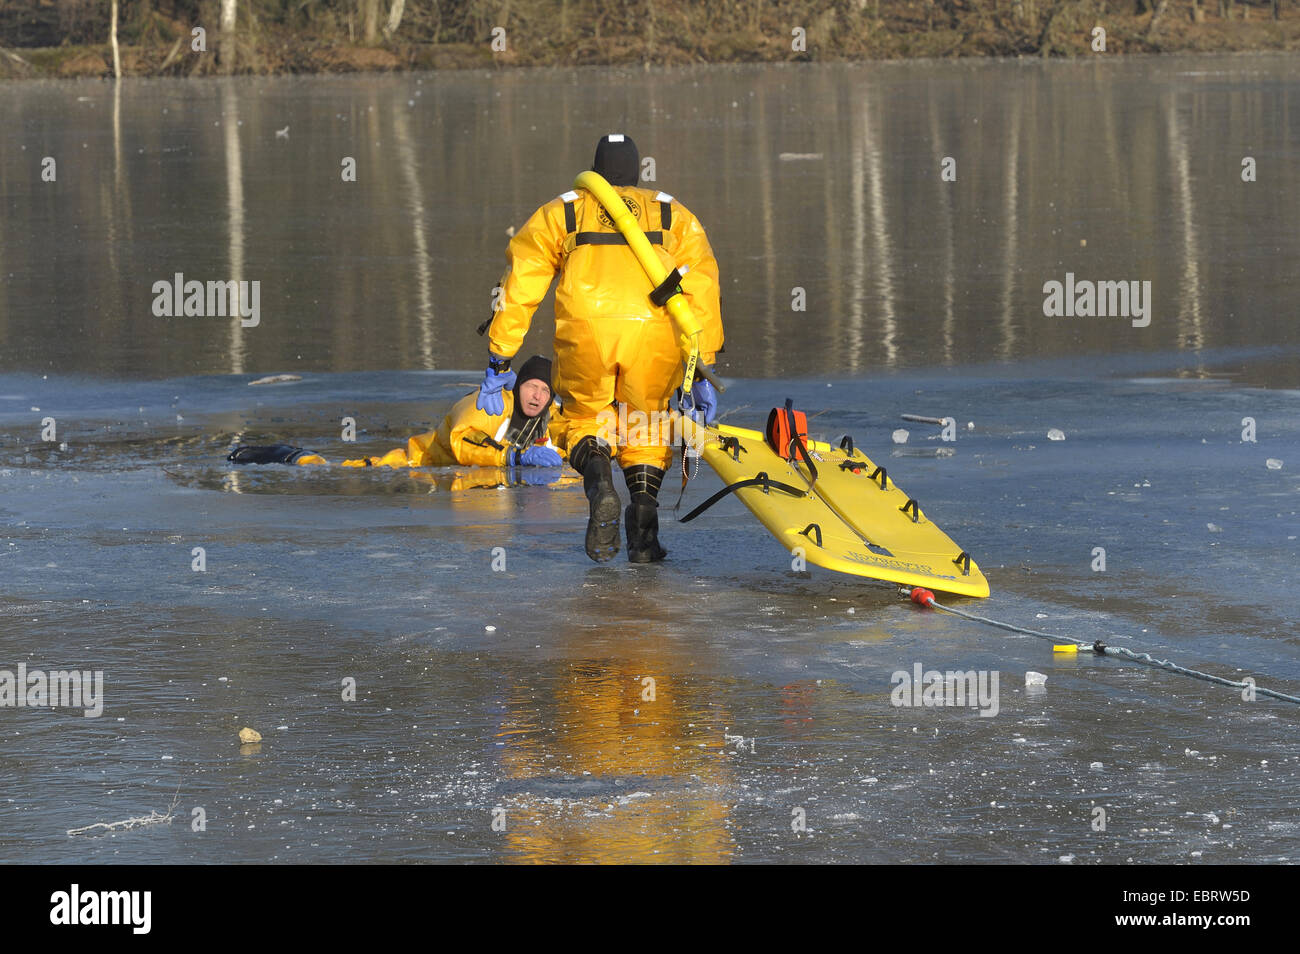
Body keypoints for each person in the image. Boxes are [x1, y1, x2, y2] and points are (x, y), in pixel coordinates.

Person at [478, 134, 724, 563]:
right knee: (646, 425)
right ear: (637, 168)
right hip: (656, 327)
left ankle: (600, 485)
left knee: (583, 418)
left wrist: (501, 352)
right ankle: (643, 533)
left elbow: (522, 281)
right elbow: (703, 283)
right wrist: (704, 364)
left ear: (594, 169)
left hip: (587, 325)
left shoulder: (565, 210)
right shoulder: (673, 213)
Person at [343, 354, 564, 469]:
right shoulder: (489, 403)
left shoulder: (552, 417)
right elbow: (463, 439)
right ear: (518, 387)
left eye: (545, 390)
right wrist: (513, 456)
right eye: (532, 387)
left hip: (480, 476)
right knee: (357, 469)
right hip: (425, 465)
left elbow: (575, 437)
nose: (537, 396)